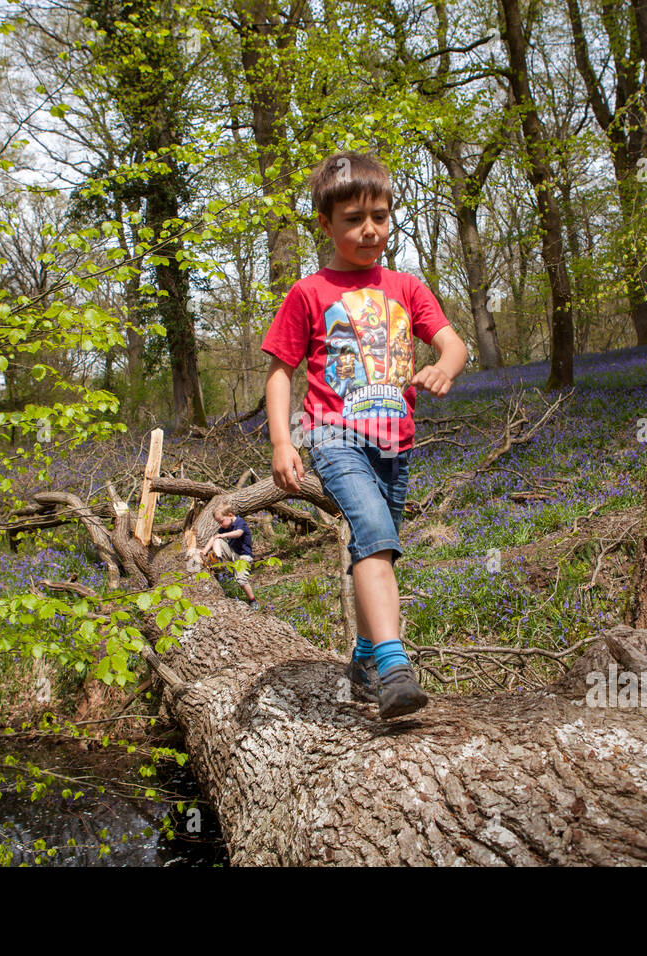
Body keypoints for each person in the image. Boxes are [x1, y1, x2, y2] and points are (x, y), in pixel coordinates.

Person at [261, 150, 468, 719]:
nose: (369, 229)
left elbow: (453, 342)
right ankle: (396, 669)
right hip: (333, 436)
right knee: (374, 534)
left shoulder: (405, 286)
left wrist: (444, 367)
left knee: (376, 552)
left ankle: (362, 658)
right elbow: (280, 370)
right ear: (325, 225)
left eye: (379, 215)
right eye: (353, 219)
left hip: (396, 444)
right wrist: (283, 441)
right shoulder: (309, 292)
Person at [204, 502, 257, 608]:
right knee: (217, 539)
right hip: (232, 552)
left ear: (230, 515)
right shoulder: (225, 526)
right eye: (218, 523)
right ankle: (218, 561)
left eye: (221, 522)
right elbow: (214, 537)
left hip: (243, 556)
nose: (220, 525)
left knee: (241, 580)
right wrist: (203, 552)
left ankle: (253, 600)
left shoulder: (240, 522)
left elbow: (238, 533)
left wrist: (223, 534)